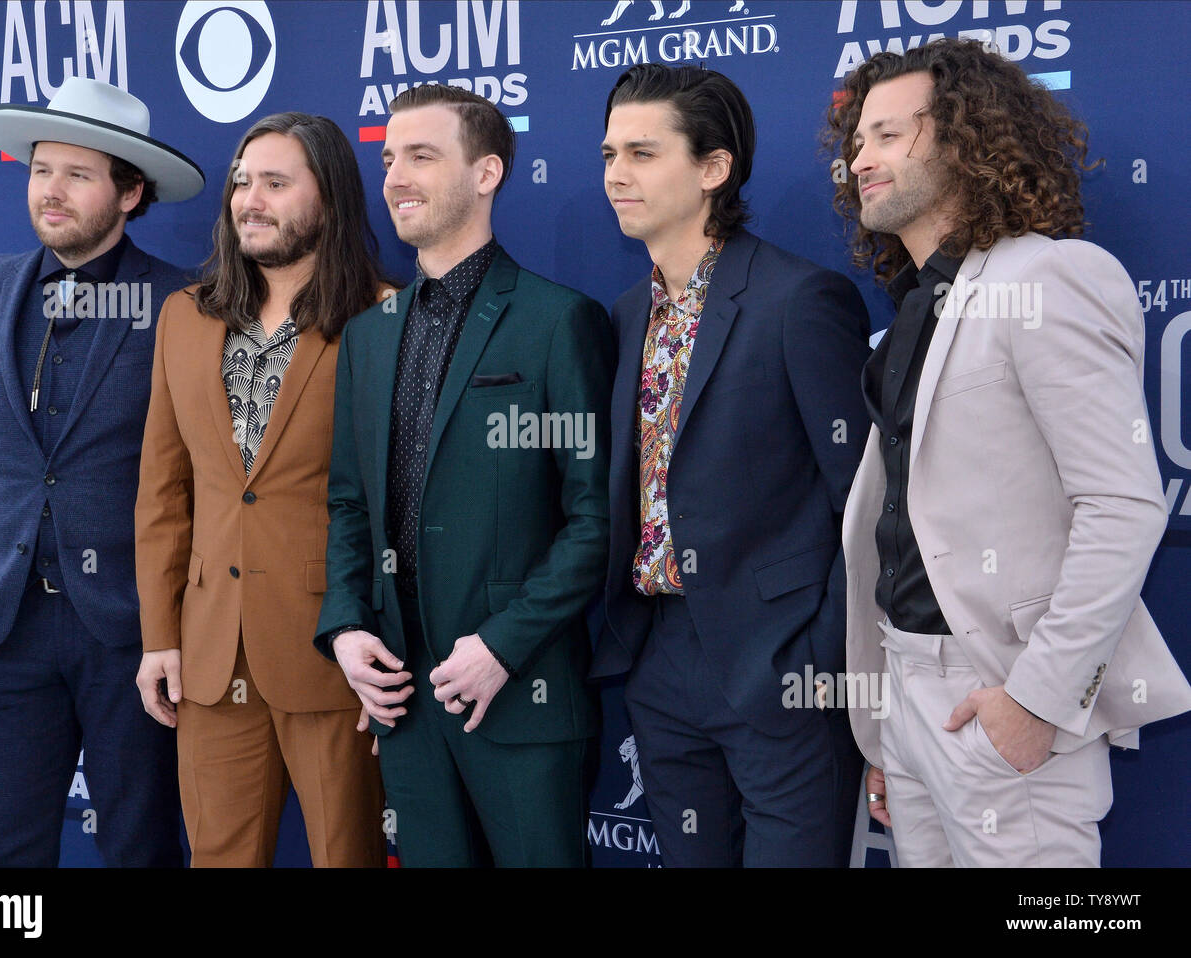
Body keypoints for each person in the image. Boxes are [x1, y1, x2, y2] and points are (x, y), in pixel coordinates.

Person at [827, 37, 1191, 866]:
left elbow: (1125, 505)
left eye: (890, 135)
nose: (862, 160)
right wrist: (889, 728)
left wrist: (1038, 699)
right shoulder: (914, 310)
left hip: (997, 691)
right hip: (907, 695)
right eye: (857, 143)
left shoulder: (1048, 279)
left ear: (964, 140)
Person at [313, 84, 613, 867]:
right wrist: (346, 629)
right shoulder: (367, 337)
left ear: (487, 173)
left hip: (523, 698)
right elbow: (348, 505)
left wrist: (503, 645)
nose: (396, 177)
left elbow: (596, 519)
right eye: (388, 160)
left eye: (422, 155)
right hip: (404, 705)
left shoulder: (558, 321)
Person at [0, 77, 203, 866]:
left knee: (140, 847)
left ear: (130, 190)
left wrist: (171, 618)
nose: (52, 190)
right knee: (2, 853)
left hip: (130, 632)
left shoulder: (185, 303)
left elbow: (200, 473)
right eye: (42, 169)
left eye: (78, 174)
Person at [591, 63, 871, 866]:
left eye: (643, 154)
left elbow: (862, 501)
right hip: (659, 660)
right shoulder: (624, 314)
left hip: (780, 665)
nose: (617, 174)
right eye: (609, 154)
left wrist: (817, 660)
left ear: (713, 169)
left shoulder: (800, 301)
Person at [134, 113, 388, 867]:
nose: (251, 198)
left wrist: (390, 647)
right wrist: (160, 636)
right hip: (210, 659)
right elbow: (162, 493)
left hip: (334, 656)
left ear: (330, 200)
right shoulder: (184, 318)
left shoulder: (381, 318)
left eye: (277, 183)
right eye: (244, 182)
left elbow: (402, 503)